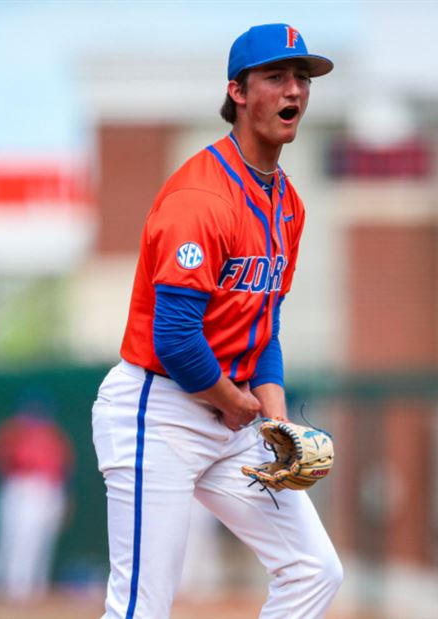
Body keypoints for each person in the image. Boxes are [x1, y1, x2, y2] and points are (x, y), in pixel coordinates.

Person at [90, 23, 341, 619]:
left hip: (227, 412)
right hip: (160, 409)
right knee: (140, 609)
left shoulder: (287, 204)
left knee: (315, 571)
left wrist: (275, 419)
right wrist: (235, 404)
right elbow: (174, 338)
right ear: (237, 91)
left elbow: (264, 325)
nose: (295, 90)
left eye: (302, 78)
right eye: (276, 77)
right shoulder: (200, 199)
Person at [0, 393, 74, 602]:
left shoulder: (53, 433)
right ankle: (11, 588)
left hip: (48, 489)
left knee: (41, 540)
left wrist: (64, 498)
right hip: (21, 486)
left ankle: (33, 588)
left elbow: (64, 467)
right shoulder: (12, 430)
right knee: (16, 538)